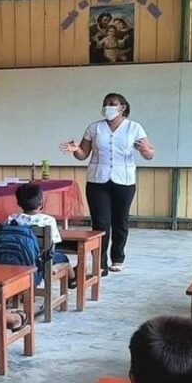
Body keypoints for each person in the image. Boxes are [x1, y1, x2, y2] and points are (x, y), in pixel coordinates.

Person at [60, 92, 155, 275]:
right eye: (105, 103)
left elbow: (150, 154)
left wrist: (145, 150)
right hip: (97, 180)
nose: (107, 107)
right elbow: (83, 155)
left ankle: (118, 258)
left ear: (122, 107)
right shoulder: (94, 128)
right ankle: (100, 264)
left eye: (112, 103)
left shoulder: (134, 128)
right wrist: (75, 149)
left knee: (120, 221)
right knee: (100, 223)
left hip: (124, 180)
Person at [8, 182, 76, 289]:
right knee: (63, 258)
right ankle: (72, 280)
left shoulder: (11, 219)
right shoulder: (48, 220)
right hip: (39, 263)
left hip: (16, 260)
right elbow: (52, 246)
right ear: (42, 202)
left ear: (18, 203)